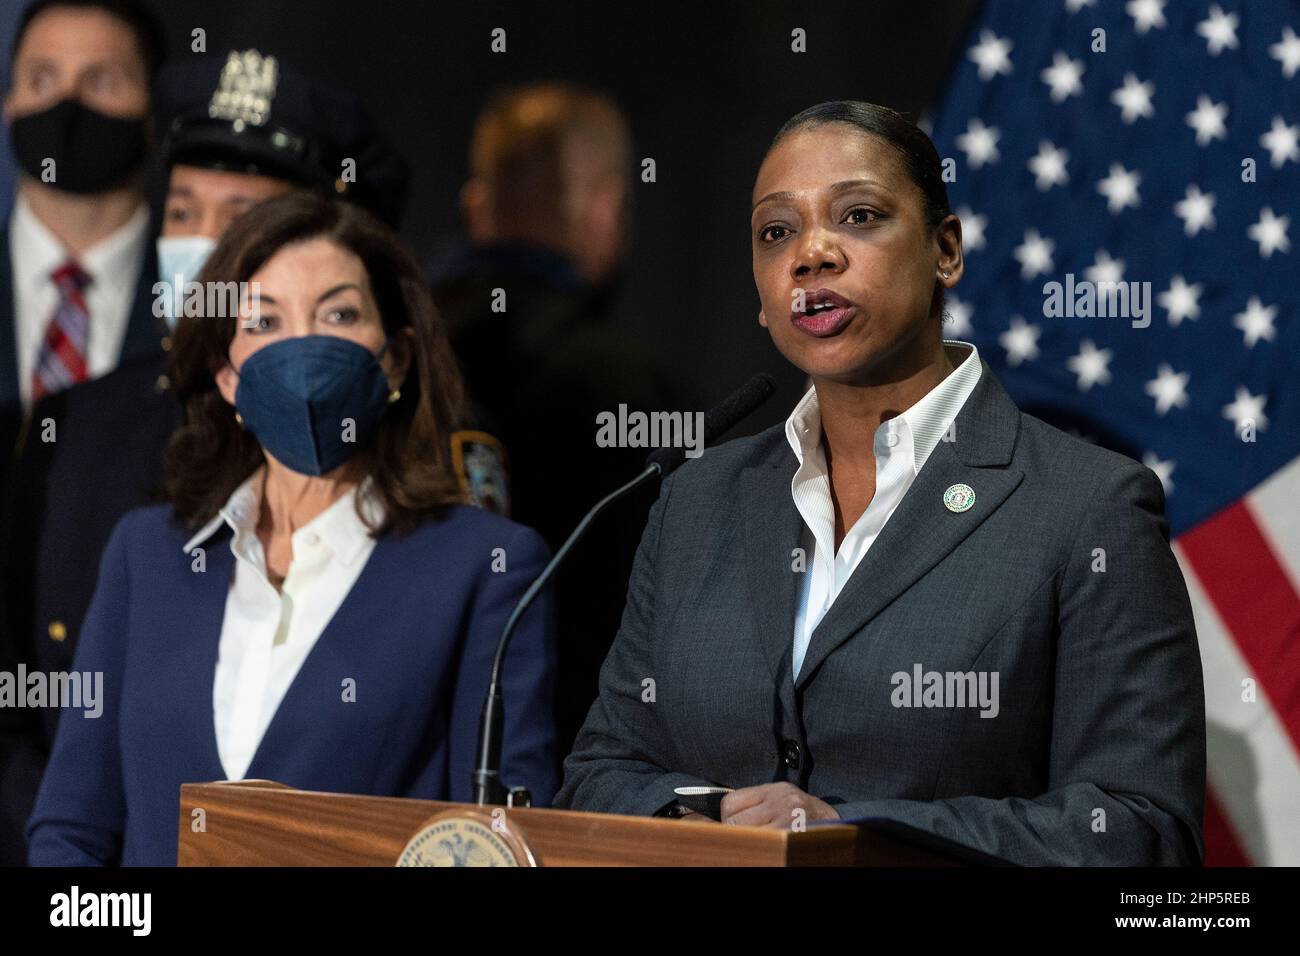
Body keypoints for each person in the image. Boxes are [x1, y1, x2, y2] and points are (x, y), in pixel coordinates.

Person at [553, 101, 1206, 866]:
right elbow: (599, 774)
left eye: (857, 216)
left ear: (946, 250)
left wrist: (849, 833)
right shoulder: (696, 500)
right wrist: (716, 813)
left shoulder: (1088, 509)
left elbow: (1138, 828)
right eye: (776, 232)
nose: (812, 254)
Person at [26, 192, 559, 866]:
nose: (303, 346)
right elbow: (71, 829)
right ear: (224, 371)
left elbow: (498, 845)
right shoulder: (147, 553)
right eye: (265, 320)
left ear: (395, 358)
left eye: (337, 313)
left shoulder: (485, 568)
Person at [0, 48, 416, 864]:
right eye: (183, 211)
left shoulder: (395, 439)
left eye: (240, 217)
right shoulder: (73, 424)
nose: (202, 245)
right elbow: (31, 724)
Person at [431, 82, 679, 754]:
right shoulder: (636, 393)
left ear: (476, 207)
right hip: (571, 781)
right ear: (604, 210)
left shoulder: (385, 358)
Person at [0, 0, 165, 483]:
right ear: (9, 104)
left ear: (153, 111)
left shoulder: (208, 303)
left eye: (103, 81)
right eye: (43, 79)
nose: (68, 103)